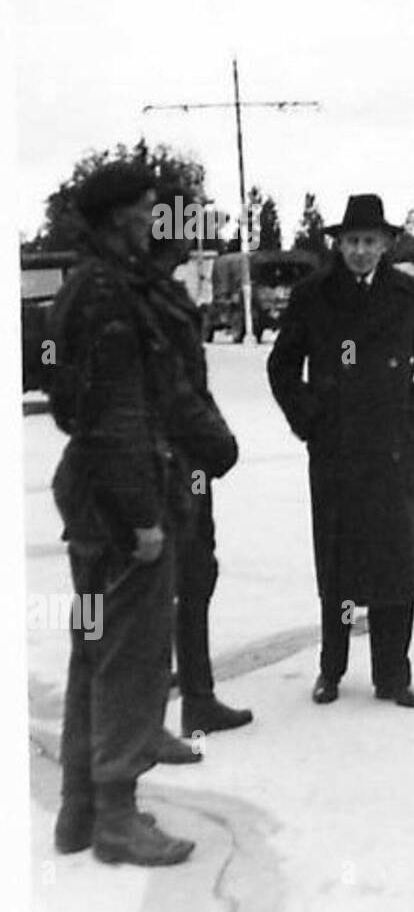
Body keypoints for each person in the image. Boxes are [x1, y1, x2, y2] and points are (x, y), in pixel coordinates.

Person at [46, 164, 196, 865]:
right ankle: (117, 818)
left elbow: (68, 402)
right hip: (118, 517)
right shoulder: (109, 294)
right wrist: (142, 520)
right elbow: (115, 417)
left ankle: (78, 811)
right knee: (129, 661)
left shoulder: (85, 285)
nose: (152, 219)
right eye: (142, 209)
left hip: (87, 508)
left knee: (91, 652)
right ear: (114, 219)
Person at [268, 194, 414, 707]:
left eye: (370, 242)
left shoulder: (409, 294)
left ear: (387, 244)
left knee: (397, 563)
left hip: (394, 450)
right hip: (337, 450)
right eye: (352, 242)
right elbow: (282, 367)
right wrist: (311, 421)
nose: (361, 252)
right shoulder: (313, 295)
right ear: (338, 244)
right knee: (339, 563)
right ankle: (332, 669)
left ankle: (393, 676)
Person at [144, 178, 251, 737]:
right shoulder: (154, 299)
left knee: (190, 573)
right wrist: (219, 444)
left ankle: (189, 692)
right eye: (187, 224)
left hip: (180, 464)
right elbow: (179, 394)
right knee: (182, 574)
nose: (195, 235)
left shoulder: (162, 293)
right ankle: (184, 703)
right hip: (176, 464)